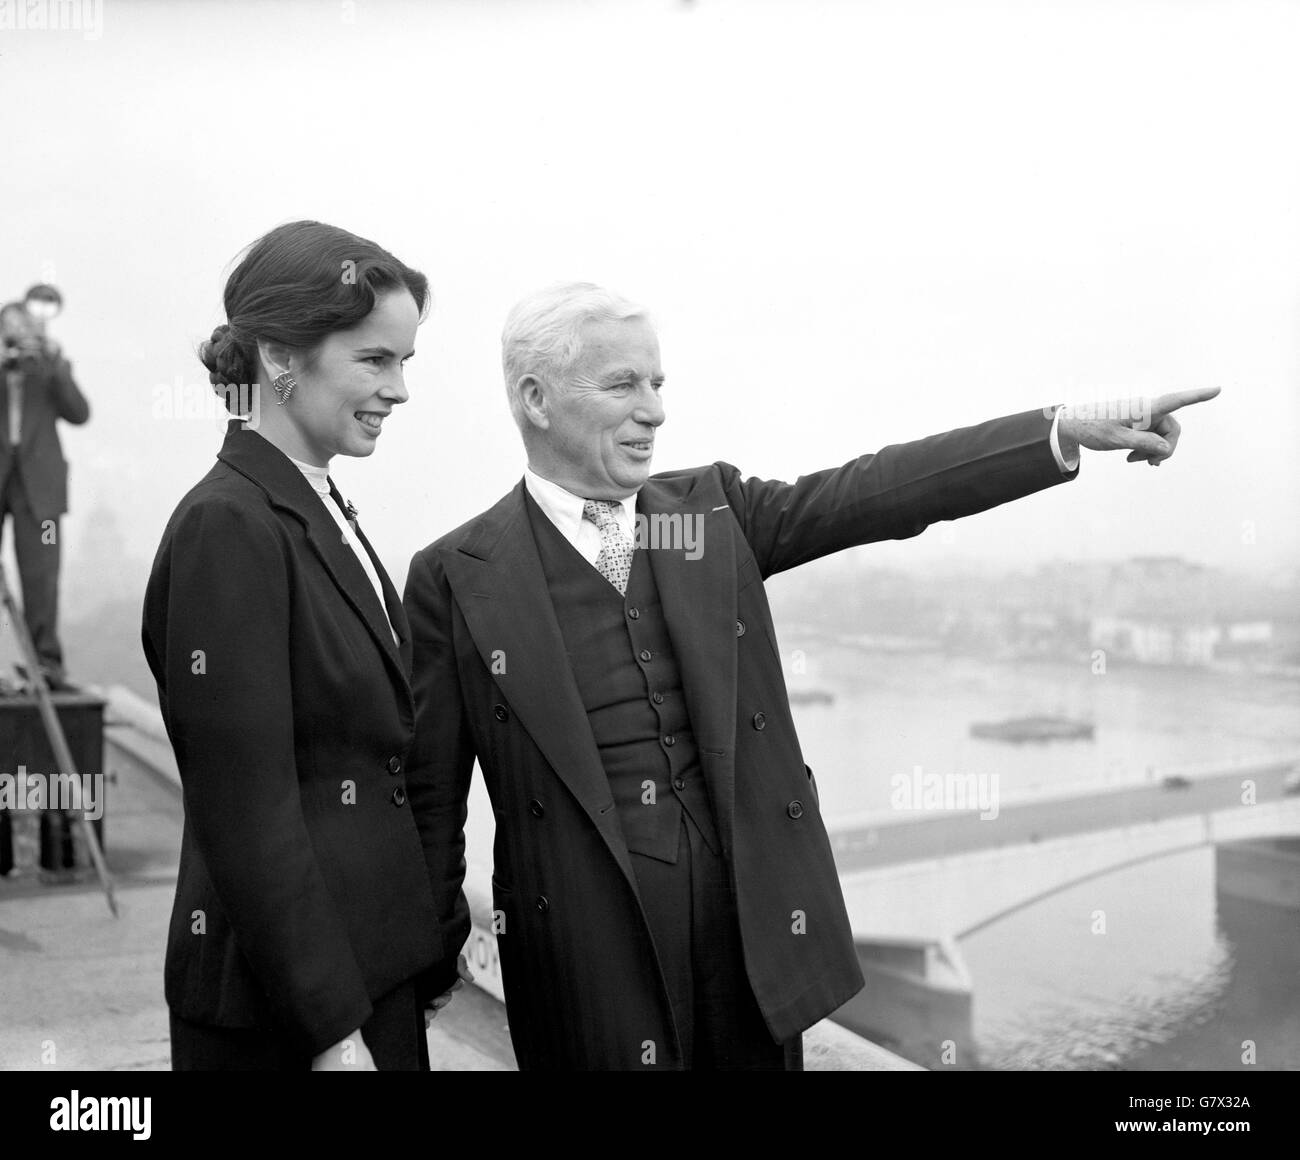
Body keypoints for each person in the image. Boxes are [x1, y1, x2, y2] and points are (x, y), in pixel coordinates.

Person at [403, 281, 1219, 1071]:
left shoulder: (705, 514)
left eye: (657, 382)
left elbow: (881, 490)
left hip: (753, 954)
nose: (655, 410)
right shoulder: (458, 575)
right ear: (537, 400)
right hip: (585, 970)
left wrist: (1061, 428)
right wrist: (425, 968)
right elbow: (433, 801)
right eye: (624, 384)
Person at [142, 220, 466, 1071]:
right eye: (374, 359)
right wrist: (329, 1029)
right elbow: (248, 810)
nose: (398, 389)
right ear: (282, 358)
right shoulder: (228, 525)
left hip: (369, 978)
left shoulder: (314, 504)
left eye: (403, 361)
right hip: (288, 1016)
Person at [0, 299, 90, 688]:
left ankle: (46, 665)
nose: (19, 336)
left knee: (41, 575)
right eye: (10, 328)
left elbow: (79, 413)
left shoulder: (52, 367)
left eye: (25, 328)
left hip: (38, 486)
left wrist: (52, 363)